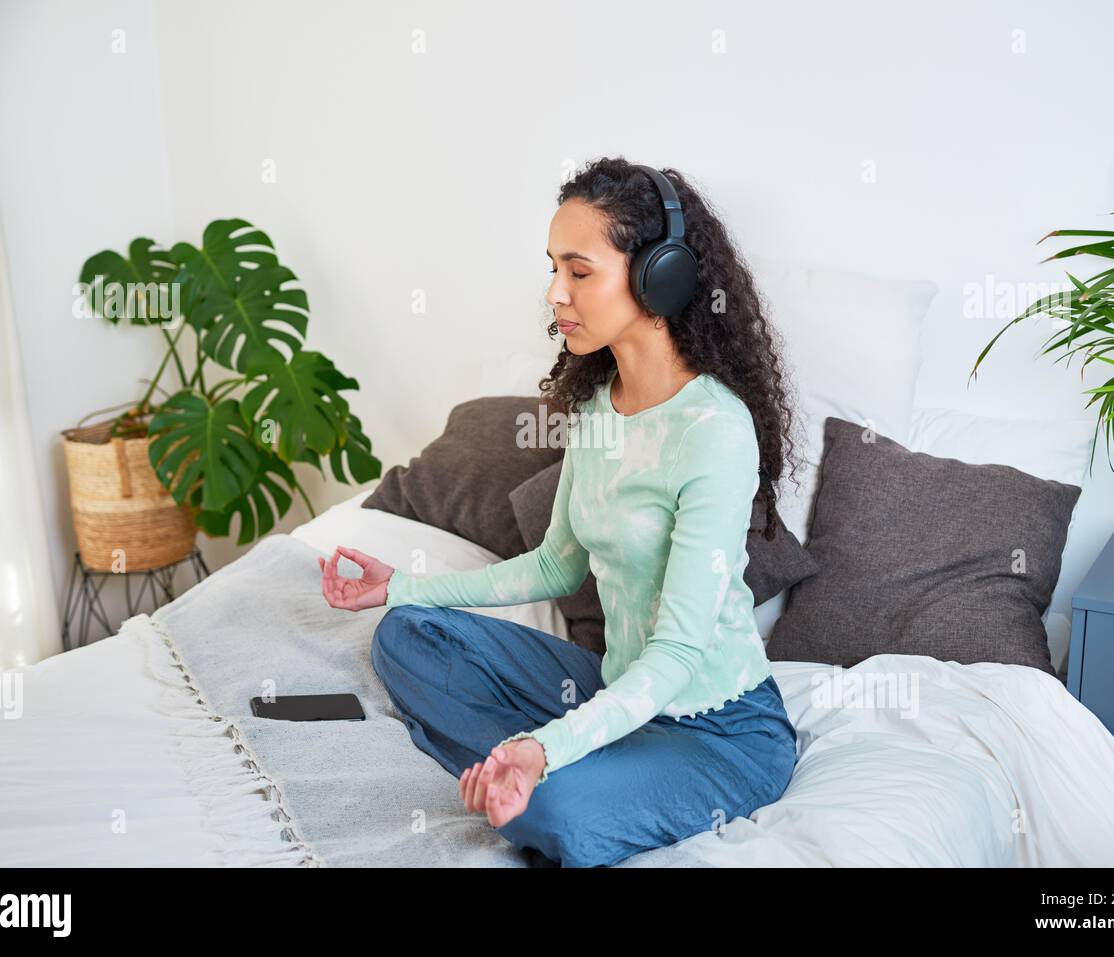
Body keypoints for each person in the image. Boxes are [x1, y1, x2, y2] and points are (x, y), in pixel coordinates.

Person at [318, 157, 804, 868]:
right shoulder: (596, 409)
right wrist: (399, 585)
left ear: (658, 274)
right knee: (406, 637)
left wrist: (546, 747)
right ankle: (545, 764)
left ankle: (544, 772)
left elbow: (675, 655)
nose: (555, 292)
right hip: (617, 689)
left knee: (553, 814)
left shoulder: (715, 432)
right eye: (554, 268)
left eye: (579, 271)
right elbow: (556, 562)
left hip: (718, 731)